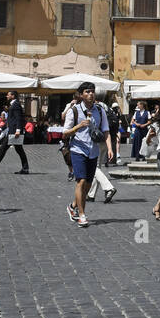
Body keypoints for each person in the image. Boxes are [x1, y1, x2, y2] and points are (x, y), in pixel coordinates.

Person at [61, 82, 114, 227]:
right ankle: (82, 215)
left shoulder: (99, 110)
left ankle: (72, 206)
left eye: (92, 92)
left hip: (93, 151)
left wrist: (110, 148)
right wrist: (79, 126)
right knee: (81, 182)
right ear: (81, 95)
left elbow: (106, 131)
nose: (90, 94)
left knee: (88, 185)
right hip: (78, 149)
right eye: (87, 92)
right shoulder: (74, 111)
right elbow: (65, 132)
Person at [0, 89, 30, 174]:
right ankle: (25, 169)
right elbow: (10, 121)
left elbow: (19, 119)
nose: (7, 96)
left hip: (14, 133)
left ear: (13, 96)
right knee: (19, 150)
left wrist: (18, 130)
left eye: (8, 95)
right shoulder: (13, 105)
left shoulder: (16, 105)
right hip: (12, 132)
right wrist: (0, 129)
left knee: (3, 149)